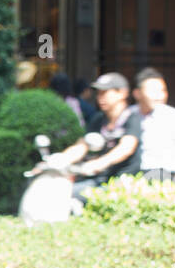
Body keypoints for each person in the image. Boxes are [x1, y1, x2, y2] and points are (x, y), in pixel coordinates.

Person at [55, 72, 140, 201]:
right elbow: (82, 145)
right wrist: (60, 159)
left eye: (105, 92)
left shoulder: (132, 118)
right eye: (99, 93)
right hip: (97, 179)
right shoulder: (98, 119)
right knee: (59, 190)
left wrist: (99, 163)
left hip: (122, 184)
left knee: (69, 194)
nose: (100, 97)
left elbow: (126, 147)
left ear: (122, 93)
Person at [130, 68, 175, 180]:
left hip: (163, 174)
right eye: (153, 91)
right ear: (137, 93)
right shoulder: (128, 115)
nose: (160, 96)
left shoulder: (174, 117)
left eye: (163, 91)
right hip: (131, 173)